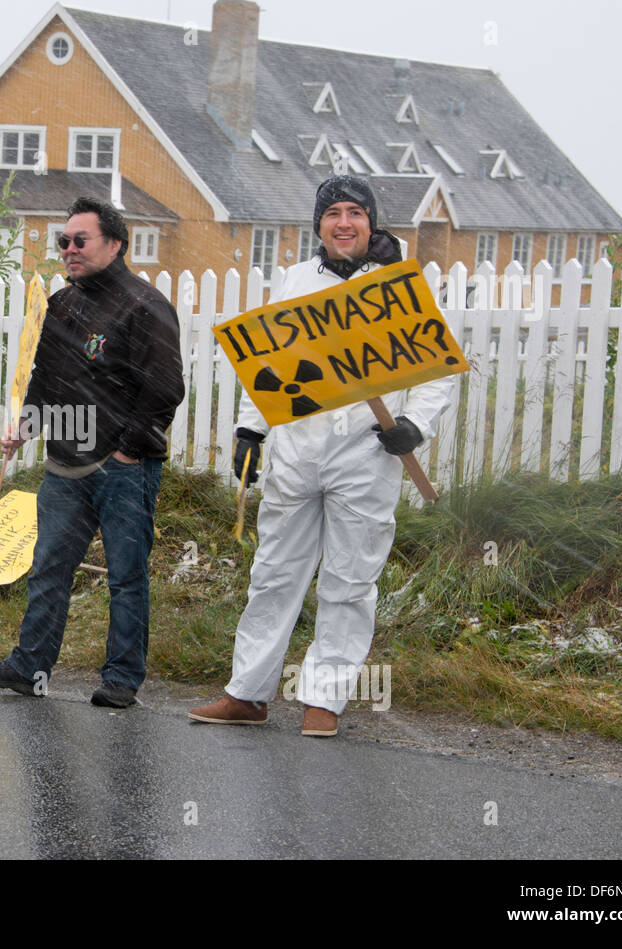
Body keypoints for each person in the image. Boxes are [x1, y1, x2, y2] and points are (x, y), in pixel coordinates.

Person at [188, 175, 457, 735]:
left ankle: (323, 701)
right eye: (332, 212)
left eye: (354, 213)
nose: (343, 222)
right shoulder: (294, 281)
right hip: (298, 449)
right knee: (274, 573)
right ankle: (248, 692)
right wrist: (250, 429)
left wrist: (414, 423)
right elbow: (266, 359)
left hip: (365, 451)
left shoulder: (399, 285)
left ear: (370, 222)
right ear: (318, 224)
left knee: (350, 579)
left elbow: (437, 364)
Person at [0, 196, 185, 709]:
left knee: (126, 576)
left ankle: (120, 680)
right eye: (62, 241)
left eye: (79, 240)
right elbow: (46, 378)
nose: (68, 249)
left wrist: (129, 452)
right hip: (64, 465)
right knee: (48, 568)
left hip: (123, 469)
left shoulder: (145, 305)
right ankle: (29, 667)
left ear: (114, 243)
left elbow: (166, 389)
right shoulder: (62, 305)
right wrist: (26, 424)